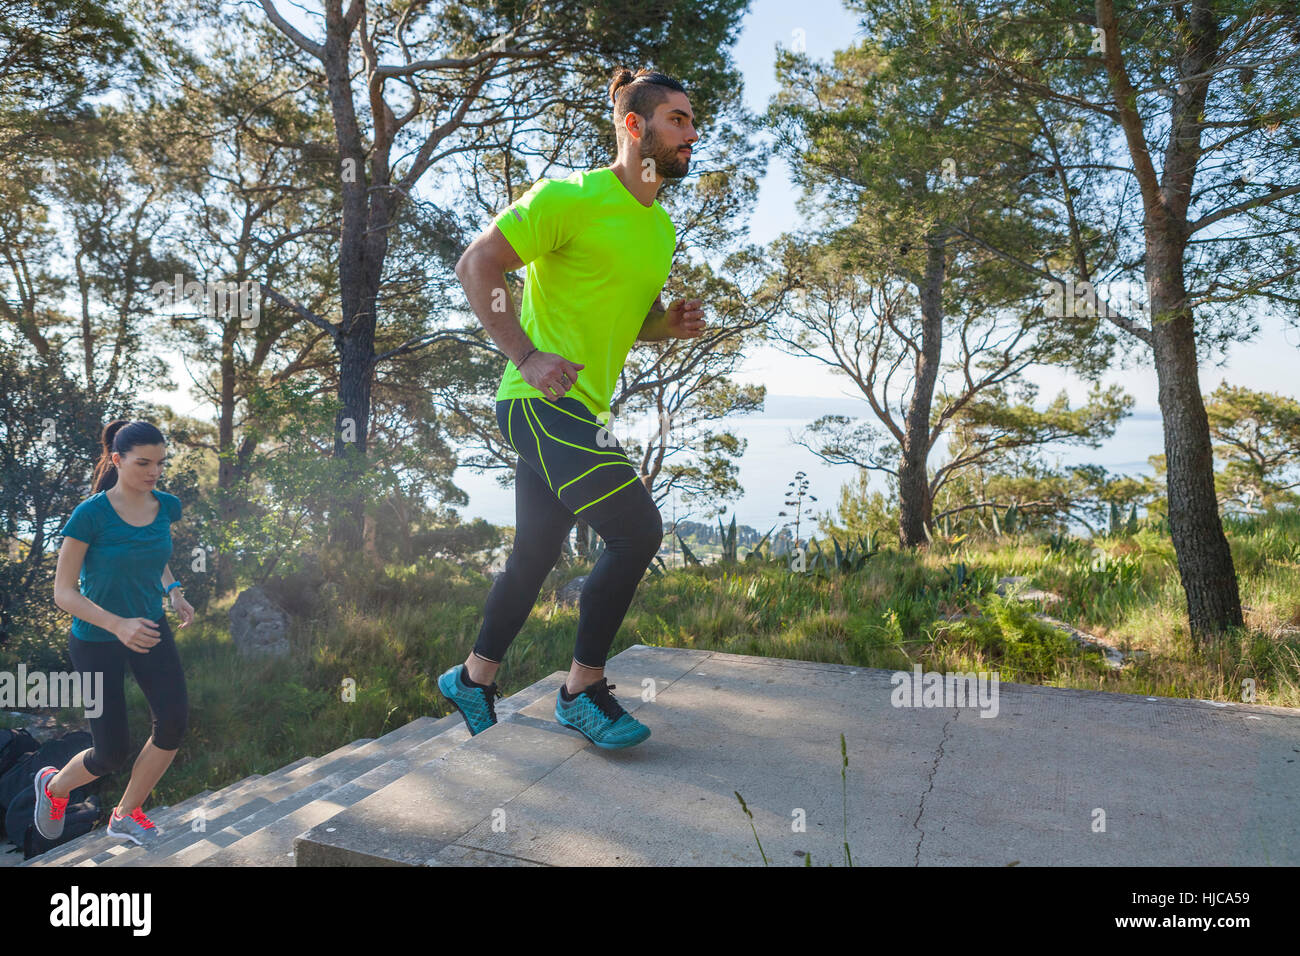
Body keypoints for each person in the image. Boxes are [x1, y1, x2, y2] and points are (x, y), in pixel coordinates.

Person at [440, 66, 706, 749]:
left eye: (692, 121)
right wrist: (525, 355)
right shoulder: (570, 194)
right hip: (536, 401)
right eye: (677, 119)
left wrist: (662, 327)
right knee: (637, 532)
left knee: (534, 555)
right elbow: (477, 264)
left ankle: (473, 677)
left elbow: (623, 315)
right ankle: (580, 690)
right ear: (633, 125)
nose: (691, 133)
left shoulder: (660, 230)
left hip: (582, 411)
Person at [34, 420, 195, 846]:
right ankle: (53, 788)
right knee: (111, 753)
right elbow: (63, 592)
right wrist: (116, 624)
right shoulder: (90, 515)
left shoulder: (167, 506)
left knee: (174, 722)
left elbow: (151, 553)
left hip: (148, 626)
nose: (153, 472)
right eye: (143, 463)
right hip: (96, 637)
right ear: (117, 459)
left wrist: (174, 591)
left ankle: (125, 815)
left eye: (160, 463)